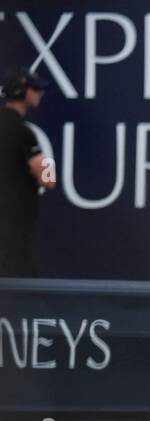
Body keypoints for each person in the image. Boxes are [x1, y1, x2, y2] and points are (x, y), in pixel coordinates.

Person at [0, 67, 55, 276]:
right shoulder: (23, 132)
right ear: (21, 92)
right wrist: (47, 160)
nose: (40, 93)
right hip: (14, 220)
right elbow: (48, 180)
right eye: (35, 89)